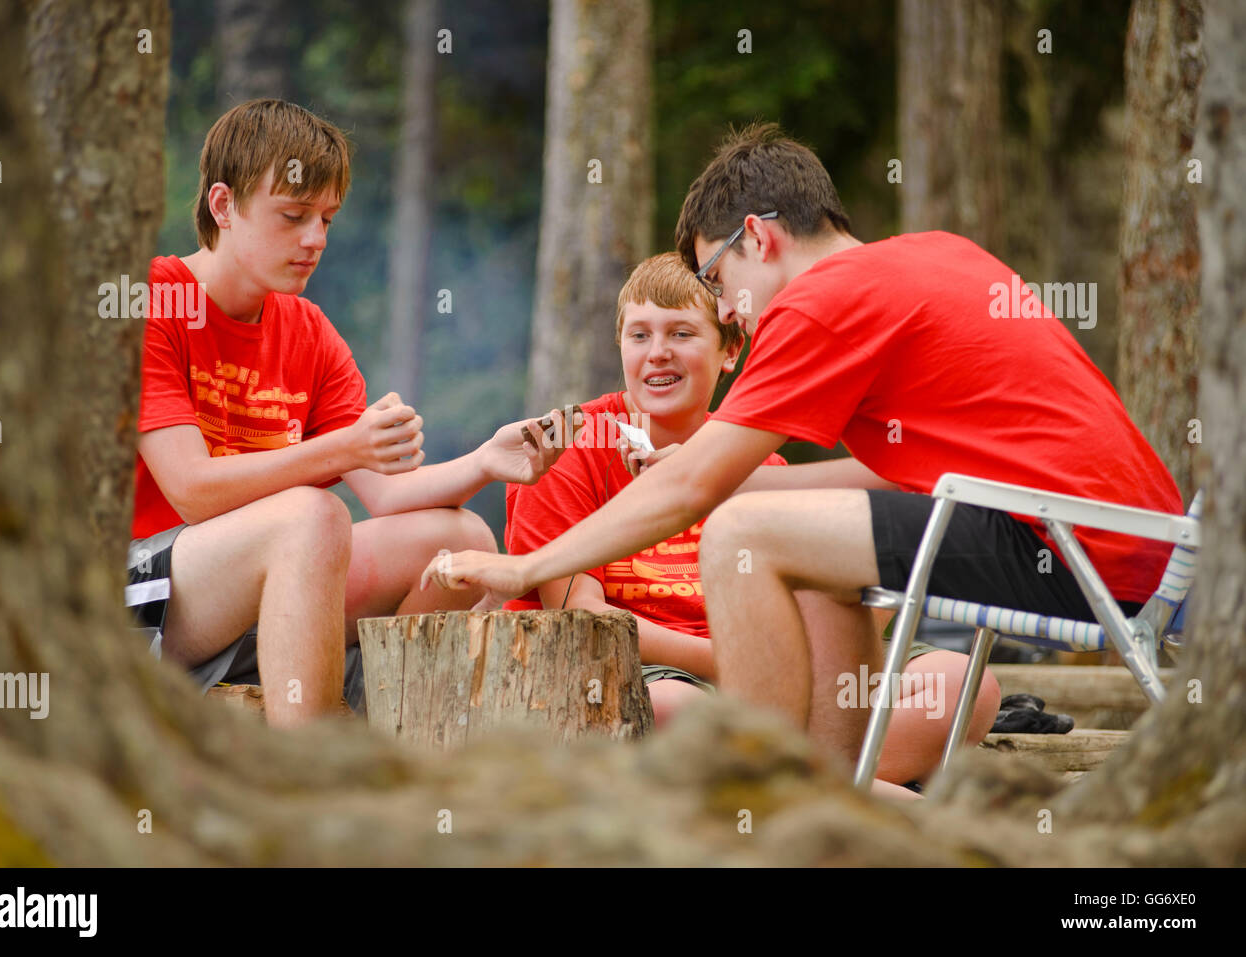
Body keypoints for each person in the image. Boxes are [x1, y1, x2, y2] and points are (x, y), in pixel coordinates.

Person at [423, 123, 1182, 788]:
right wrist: (744, 481)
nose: (725, 310)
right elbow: (891, 471)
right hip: (1134, 540)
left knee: (740, 534)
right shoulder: (934, 254)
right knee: (786, 527)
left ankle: (762, 790)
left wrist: (528, 568)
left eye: (718, 281)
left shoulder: (823, 300)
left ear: (758, 236)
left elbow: (692, 487)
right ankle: (827, 791)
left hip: (1075, 548)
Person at [127, 99, 570, 727]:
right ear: (223, 206)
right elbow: (194, 494)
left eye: (327, 220)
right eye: (293, 216)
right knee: (312, 515)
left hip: (266, 587)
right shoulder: (156, 298)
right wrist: (343, 449)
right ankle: (311, 764)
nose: (315, 241)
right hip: (145, 597)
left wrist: (486, 461)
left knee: (459, 542)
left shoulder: (308, 329)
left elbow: (387, 496)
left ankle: (393, 731)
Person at [504, 253, 996, 780]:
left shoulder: (761, 462)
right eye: (639, 335)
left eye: (682, 334)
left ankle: (790, 782)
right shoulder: (570, 448)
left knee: (962, 685)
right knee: (673, 710)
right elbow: (583, 619)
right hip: (650, 670)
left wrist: (794, 670)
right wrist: (742, 664)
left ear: (730, 351)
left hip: (772, 671)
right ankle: (821, 786)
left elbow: (818, 598)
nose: (658, 354)